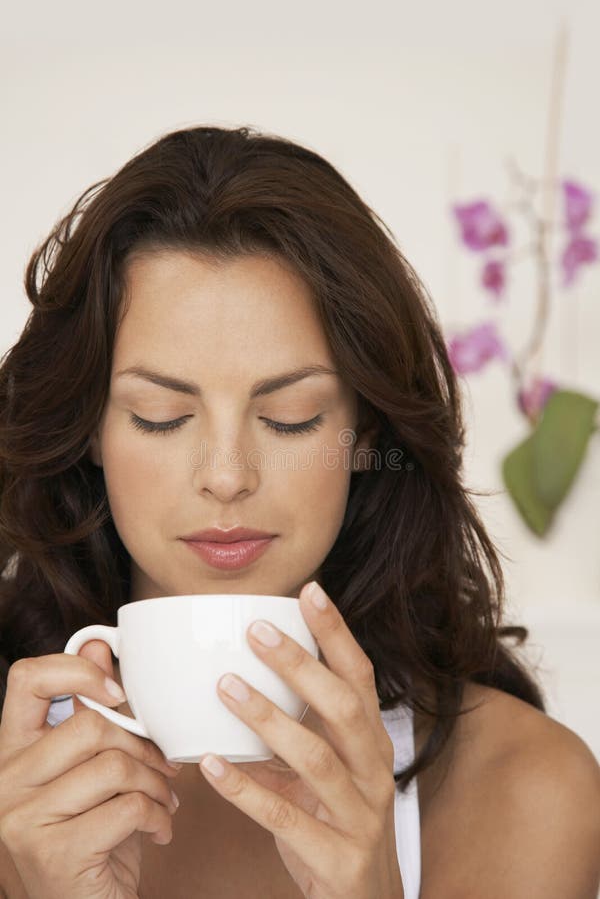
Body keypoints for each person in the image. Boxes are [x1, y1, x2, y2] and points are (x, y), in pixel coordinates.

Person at [0, 124, 598, 899]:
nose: (225, 477)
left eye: (290, 418)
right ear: (90, 433)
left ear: (365, 433)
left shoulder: (522, 788)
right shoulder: (15, 792)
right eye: (159, 416)